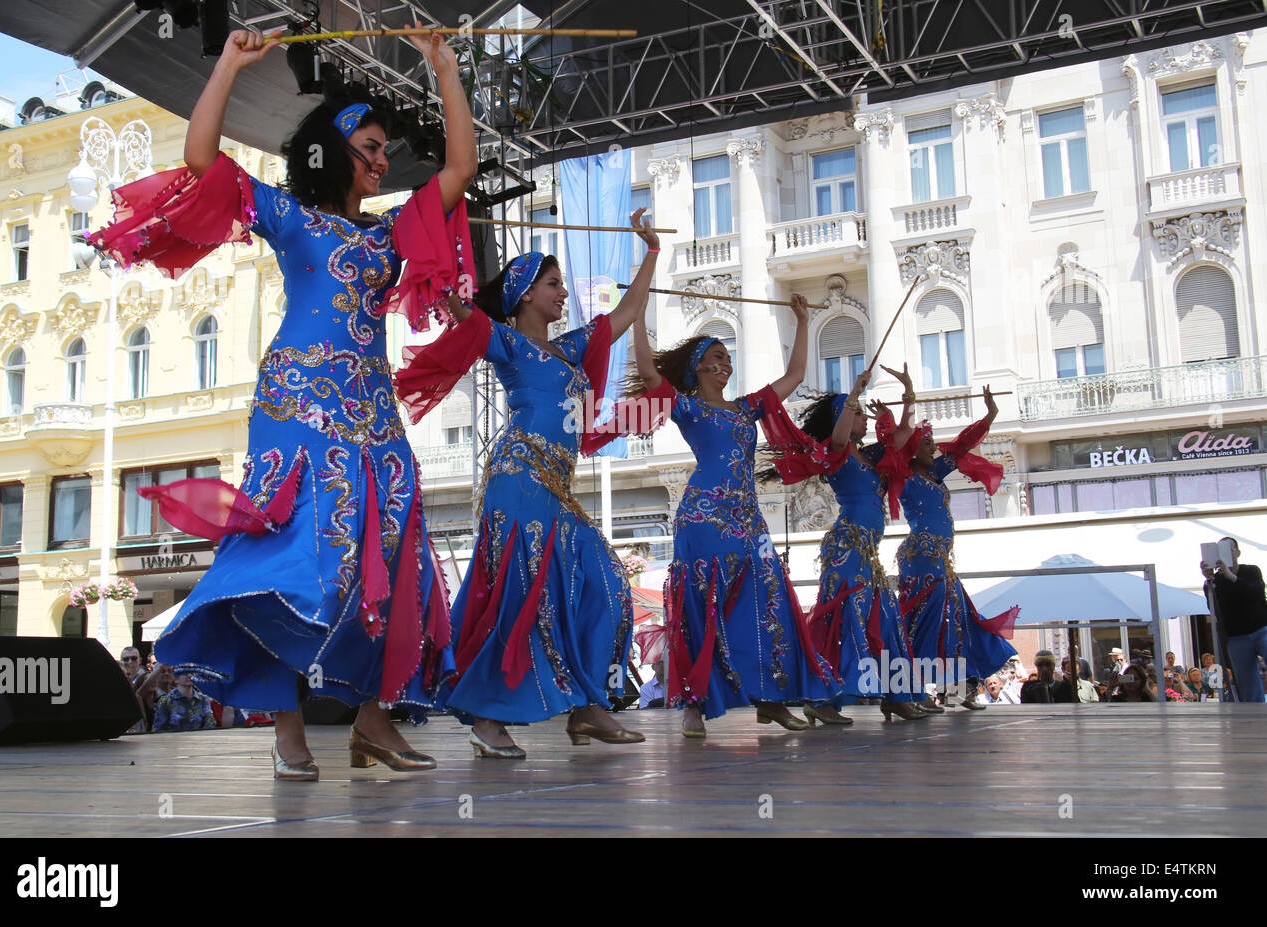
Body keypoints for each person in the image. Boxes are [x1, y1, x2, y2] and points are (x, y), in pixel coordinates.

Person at [93, 25, 477, 780]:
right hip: (297, 407)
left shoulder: (390, 235)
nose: (380, 159)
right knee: (293, 557)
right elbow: (202, 159)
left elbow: (460, 165)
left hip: (372, 415)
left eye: (383, 149)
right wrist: (230, 66)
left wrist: (445, 67)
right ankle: (287, 724)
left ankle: (372, 719)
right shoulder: (290, 216)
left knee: (390, 559)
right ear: (334, 150)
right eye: (368, 145)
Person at [396, 214, 663, 759]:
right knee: (519, 596)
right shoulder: (508, 344)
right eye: (554, 284)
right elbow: (459, 308)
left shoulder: (568, 350)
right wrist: (444, 259)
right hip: (518, 480)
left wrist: (652, 253)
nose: (564, 293)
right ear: (523, 294)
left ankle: (587, 708)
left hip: (555, 488)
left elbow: (628, 310)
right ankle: (489, 720)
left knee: (607, 582)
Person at [624, 295, 843, 738]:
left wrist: (804, 319)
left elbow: (796, 375)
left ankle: (772, 698)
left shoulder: (747, 407)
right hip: (703, 517)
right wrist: (637, 313)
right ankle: (693, 704)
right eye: (716, 357)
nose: (725, 363)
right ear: (698, 368)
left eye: (728, 356)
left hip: (747, 518)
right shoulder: (686, 408)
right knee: (701, 609)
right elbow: (648, 371)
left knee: (767, 603)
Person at [762, 369, 926, 721]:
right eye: (858, 414)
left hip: (867, 552)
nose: (865, 419)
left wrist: (909, 392)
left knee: (885, 618)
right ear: (845, 418)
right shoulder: (836, 454)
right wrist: (854, 389)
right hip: (847, 548)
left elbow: (906, 432)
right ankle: (822, 702)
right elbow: (838, 440)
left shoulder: (871, 455)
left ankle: (895, 695)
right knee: (843, 618)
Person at [877, 380, 1018, 711]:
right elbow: (891, 447)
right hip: (922, 557)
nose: (933, 448)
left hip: (939, 558)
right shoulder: (904, 476)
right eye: (925, 443)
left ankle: (954, 691)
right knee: (921, 620)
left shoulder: (935, 474)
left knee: (955, 617)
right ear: (912, 449)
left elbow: (961, 445)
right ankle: (904, 692)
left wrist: (990, 415)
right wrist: (897, 408)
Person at [1202, 537, 1267, 703]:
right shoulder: (1215, 581)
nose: (1225, 554)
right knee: (1248, 684)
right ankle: (1256, 720)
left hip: (1261, 629)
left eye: (1229, 549)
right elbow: (1214, 609)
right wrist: (1209, 580)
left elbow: (1256, 593)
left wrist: (1232, 576)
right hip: (1236, 637)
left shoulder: (1251, 571)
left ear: (1238, 553)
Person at [153, 671, 219, 732]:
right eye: (185, 674)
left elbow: (210, 722)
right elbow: (159, 728)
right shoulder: (165, 701)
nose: (189, 675)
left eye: (192, 673)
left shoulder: (203, 700)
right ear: (176, 679)